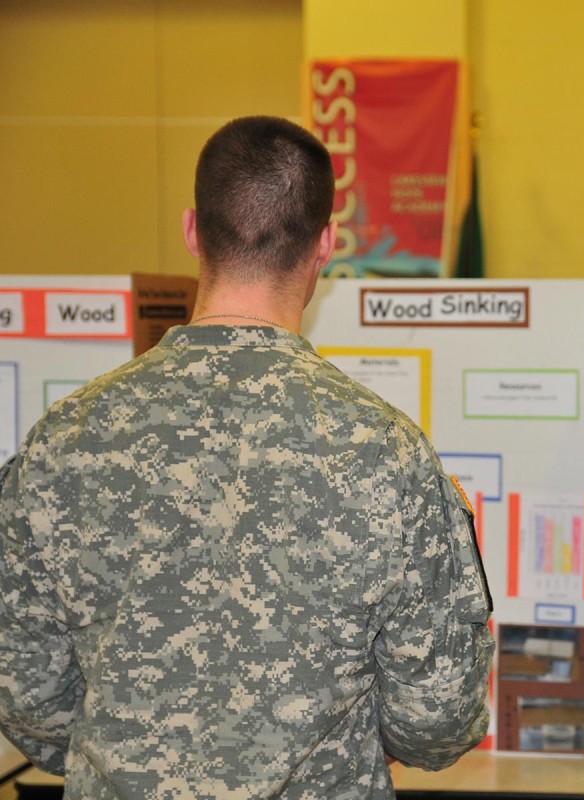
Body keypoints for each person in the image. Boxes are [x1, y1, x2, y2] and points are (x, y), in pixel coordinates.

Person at [0, 116, 493, 798]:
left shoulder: (64, 440)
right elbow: (437, 718)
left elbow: (27, 692)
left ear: (192, 231)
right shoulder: (385, 451)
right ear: (326, 244)